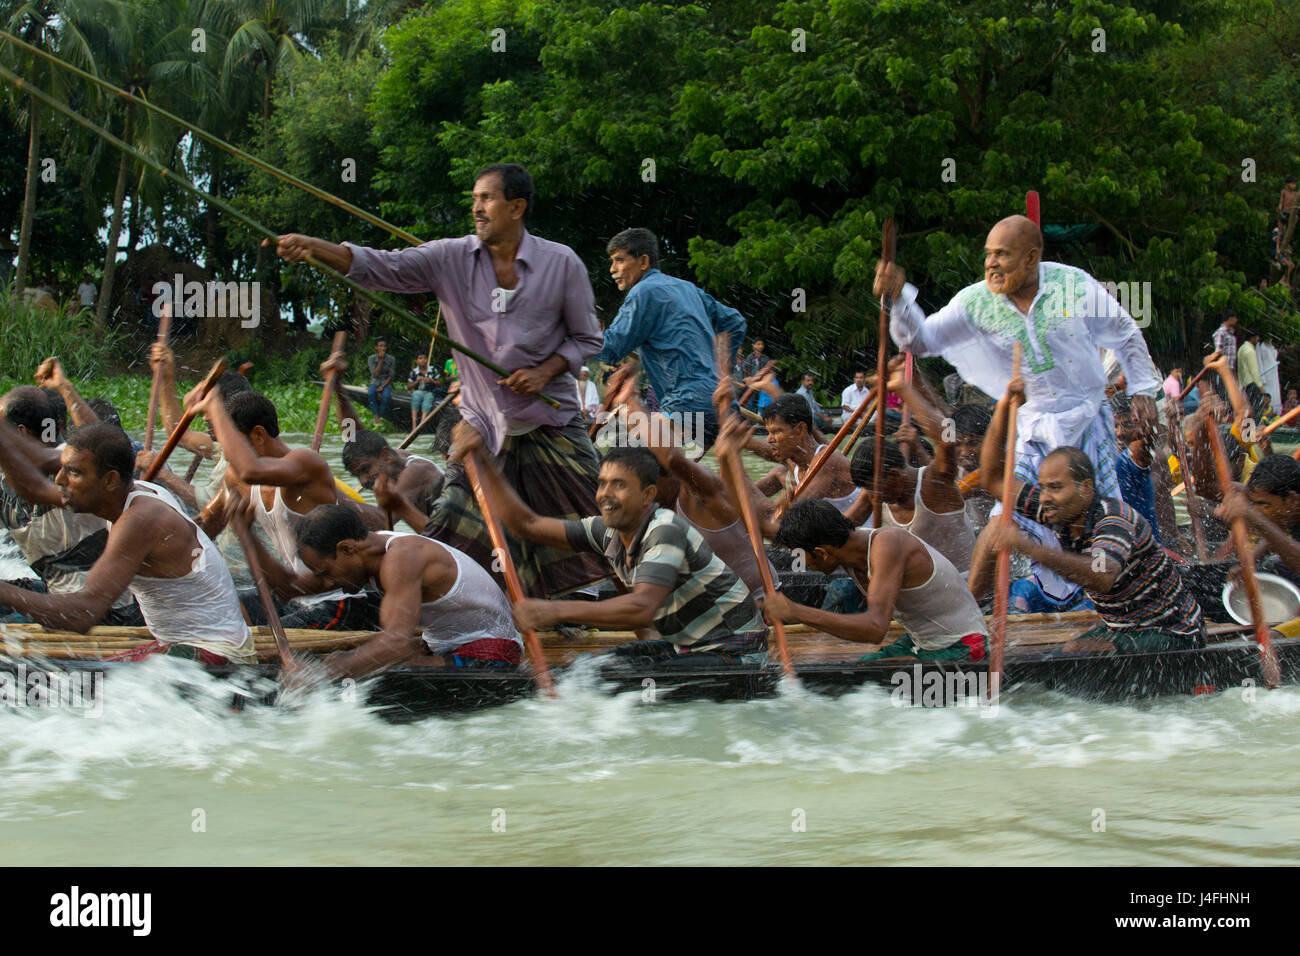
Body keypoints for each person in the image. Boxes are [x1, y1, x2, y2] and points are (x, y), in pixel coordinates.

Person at [269, 162, 607, 599]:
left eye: (487, 199)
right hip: (481, 428)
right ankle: (450, 611)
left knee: (606, 517)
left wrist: (546, 370)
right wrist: (315, 247)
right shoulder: (450, 257)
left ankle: (639, 606)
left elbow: (587, 338)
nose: (477, 209)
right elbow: (381, 267)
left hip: (551, 421)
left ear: (517, 207)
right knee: (451, 526)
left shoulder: (562, 264)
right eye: (474, 200)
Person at [878, 214, 1162, 606]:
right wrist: (898, 300)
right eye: (988, 255)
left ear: (1032, 258)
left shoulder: (1073, 285)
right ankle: (966, 618)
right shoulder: (976, 301)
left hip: (1087, 420)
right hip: (1030, 426)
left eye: (1003, 255)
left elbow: (1125, 332)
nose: (991, 263)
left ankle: (1118, 606)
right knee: (1002, 518)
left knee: (1103, 518)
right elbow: (919, 340)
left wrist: (1144, 390)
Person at [464, 437, 768, 666]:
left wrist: (553, 611)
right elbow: (526, 525)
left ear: (648, 494)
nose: (605, 495)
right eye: (602, 483)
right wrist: (484, 462)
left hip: (736, 650)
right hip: (687, 646)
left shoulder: (665, 531)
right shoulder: (604, 529)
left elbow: (641, 609)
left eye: (619, 485)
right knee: (593, 670)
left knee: (618, 686)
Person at [974, 380, 1204, 649]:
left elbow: (1100, 576)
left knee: (1073, 652)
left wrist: (1025, 545)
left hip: (1174, 632)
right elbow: (992, 480)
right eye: (1043, 487)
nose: (1045, 496)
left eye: (1056, 487)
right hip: (1124, 628)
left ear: (1085, 489)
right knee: (1060, 654)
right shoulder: (1056, 509)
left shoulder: (1113, 518)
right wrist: (1005, 407)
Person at [0, 423, 254, 661]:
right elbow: (33, 486)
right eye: (62, 468)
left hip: (213, 653)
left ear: (110, 480)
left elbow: (83, 613)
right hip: (181, 646)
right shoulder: (133, 494)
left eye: (73, 473)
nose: (58, 480)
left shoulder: (140, 519)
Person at [258, 504, 522, 682]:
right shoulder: (368, 550)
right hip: (443, 648)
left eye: (327, 572)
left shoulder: (401, 559)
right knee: (353, 664)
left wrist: (318, 673)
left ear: (348, 549)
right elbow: (288, 587)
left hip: (493, 655)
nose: (328, 585)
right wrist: (248, 534)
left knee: (370, 674)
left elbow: (396, 644)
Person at [190, 387, 380, 630]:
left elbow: (252, 471)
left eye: (229, 443)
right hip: (292, 593)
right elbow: (205, 526)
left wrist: (214, 406)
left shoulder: (307, 464)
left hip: (336, 600)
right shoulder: (236, 478)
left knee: (259, 641)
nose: (225, 453)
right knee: (215, 612)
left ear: (258, 435)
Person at [762, 499, 988, 661]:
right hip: (920, 643)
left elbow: (875, 629)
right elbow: (759, 527)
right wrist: (728, 458)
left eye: (801, 555)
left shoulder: (888, 544)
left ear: (822, 553)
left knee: (863, 688)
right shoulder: (844, 545)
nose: (802, 563)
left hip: (964, 645)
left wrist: (797, 611)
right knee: (859, 678)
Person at [592, 228, 746, 449]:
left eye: (619, 260)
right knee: (680, 479)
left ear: (643, 261)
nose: (612, 269)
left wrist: (574, 333)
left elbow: (611, 348)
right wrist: (722, 377)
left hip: (685, 405)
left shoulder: (642, 292)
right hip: (722, 407)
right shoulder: (687, 288)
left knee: (628, 467)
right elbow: (735, 323)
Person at [0, 389, 143, 626]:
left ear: (20, 434)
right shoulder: (7, 486)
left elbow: (35, 483)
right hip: (59, 596)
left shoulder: (72, 465)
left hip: (113, 611)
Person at [848, 359, 975, 572]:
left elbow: (949, 436)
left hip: (963, 584)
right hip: (920, 586)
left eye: (877, 488)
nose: (875, 496)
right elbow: (839, 528)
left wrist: (905, 389)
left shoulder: (935, 483)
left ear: (895, 475)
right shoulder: (873, 492)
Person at [342, 428, 444, 530]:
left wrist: (339, 498)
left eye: (365, 469)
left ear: (386, 455)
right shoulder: (390, 457)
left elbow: (381, 523)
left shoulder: (416, 471)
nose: (363, 481)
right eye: (357, 476)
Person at [366, 338, 396, 427]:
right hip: (375, 381)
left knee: (386, 397)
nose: (383, 348)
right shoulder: (371, 358)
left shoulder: (391, 359)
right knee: (371, 394)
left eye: (384, 346)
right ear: (376, 348)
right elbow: (375, 374)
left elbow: (391, 375)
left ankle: (379, 417)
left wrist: (382, 386)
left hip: (386, 382)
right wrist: (381, 360)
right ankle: (376, 417)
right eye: (380, 346)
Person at [408, 352, 437, 423]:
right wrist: (416, 381)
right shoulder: (414, 372)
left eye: (424, 358)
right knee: (416, 397)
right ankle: (414, 426)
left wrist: (431, 380)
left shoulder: (433, 370)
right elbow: (409, 387)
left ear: (427, 359)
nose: (423, 360)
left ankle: (421, 424)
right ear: (416, 361)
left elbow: (440, 383)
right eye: (420, 358)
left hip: (430, 392)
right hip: (418, 391)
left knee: (428, 402)